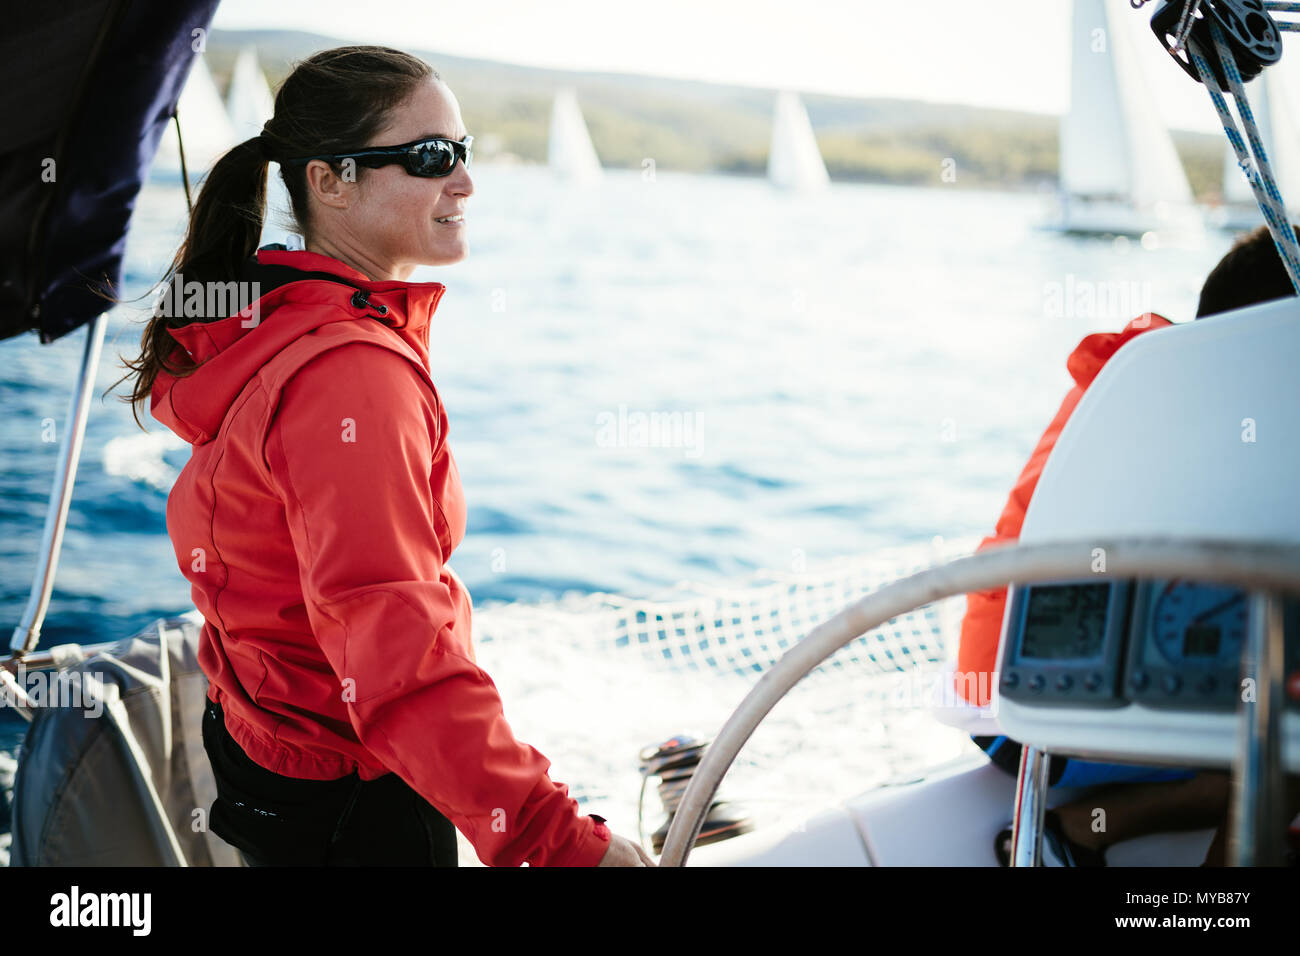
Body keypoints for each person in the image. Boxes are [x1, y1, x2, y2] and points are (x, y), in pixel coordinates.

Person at [115, 46, 652, 867]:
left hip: (267, 758)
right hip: (353, 803)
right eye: (433, 158)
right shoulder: (350, 374)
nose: (464, 182)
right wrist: (557, 842)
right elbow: (395, 651)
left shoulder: (271, 324)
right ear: (330, 182)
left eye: (463, 153)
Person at [957, 224, 1300, 866]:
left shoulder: (1139, 375)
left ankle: (1081, 832)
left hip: (994, 684)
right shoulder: (1236, 422)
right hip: (1048, 706)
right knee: (1284, 739)